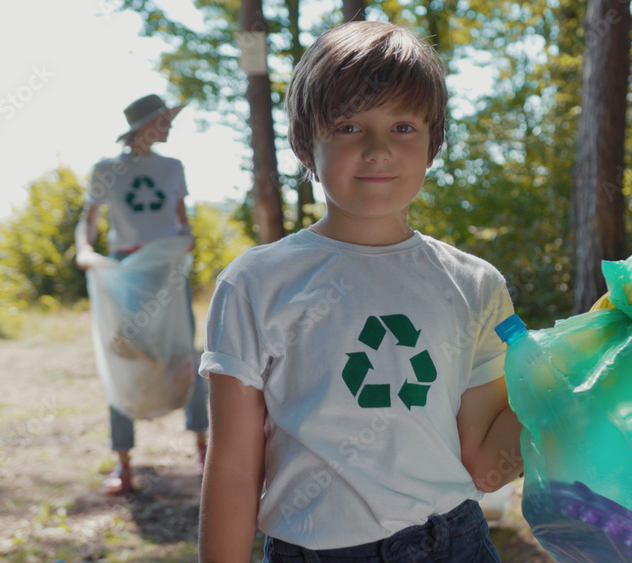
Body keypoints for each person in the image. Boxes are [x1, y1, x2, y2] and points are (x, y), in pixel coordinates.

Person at [198, 21, 524, 563]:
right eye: (349, 127)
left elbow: (484, 468)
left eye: (403, 127)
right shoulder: (256, 283)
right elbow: (233, 467)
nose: (378, 151)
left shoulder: (475, 284)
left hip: (454, 543)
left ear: (432, 142)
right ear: (306, 144)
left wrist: (566, 385)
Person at [76, 94, 208, 495]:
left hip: (166, 273)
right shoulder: (106, 170)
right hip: (124, 274)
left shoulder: (172, 168)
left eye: (170, 119)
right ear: (140, 127)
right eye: (162, 120)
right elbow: (88, 223)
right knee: (123, 353)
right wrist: (84, 250)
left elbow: (180, 221)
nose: (168, 126)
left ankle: (204, 450)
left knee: (183, 351)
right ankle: (124, 463)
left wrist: (186, 241)